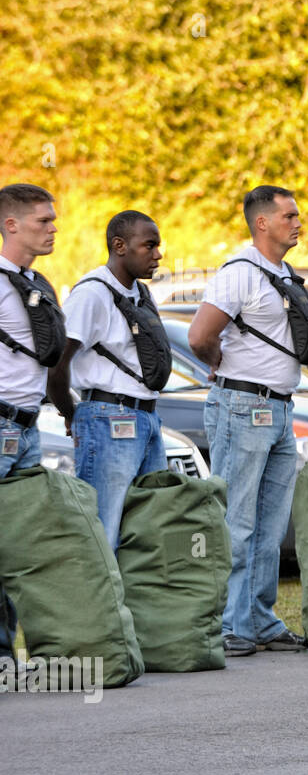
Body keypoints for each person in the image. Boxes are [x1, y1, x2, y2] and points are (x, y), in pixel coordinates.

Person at [189, 185, 308, 657]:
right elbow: (201, 335)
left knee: (270, 522)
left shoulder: (283, 273)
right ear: (261, 222)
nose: (298, 222)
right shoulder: (239, 272)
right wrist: (222, 363)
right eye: (289, 215)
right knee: (237, 522)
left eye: (297, 215)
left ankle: (259, 619)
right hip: (242, 405)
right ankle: (227, 624)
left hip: (280, 407)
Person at [48, 211, 171, 549]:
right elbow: (57, 364)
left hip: (147, 416)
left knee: (147, 527)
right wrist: (72, 414)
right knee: (104, 530)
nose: (158, 254)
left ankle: (130, 603)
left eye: (158, 246)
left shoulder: (140, 294)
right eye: (149, 245)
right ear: (119, 246)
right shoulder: (92, 293)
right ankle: (98, 603)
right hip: (107, 418)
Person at [0, 183, 58, 664]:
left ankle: (7, 652)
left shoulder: (37, 284)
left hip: (29, 428)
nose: (53, 228)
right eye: (42, 221)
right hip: (0, 425)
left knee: (19, 544)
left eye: (53, 219)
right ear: (11, 225)